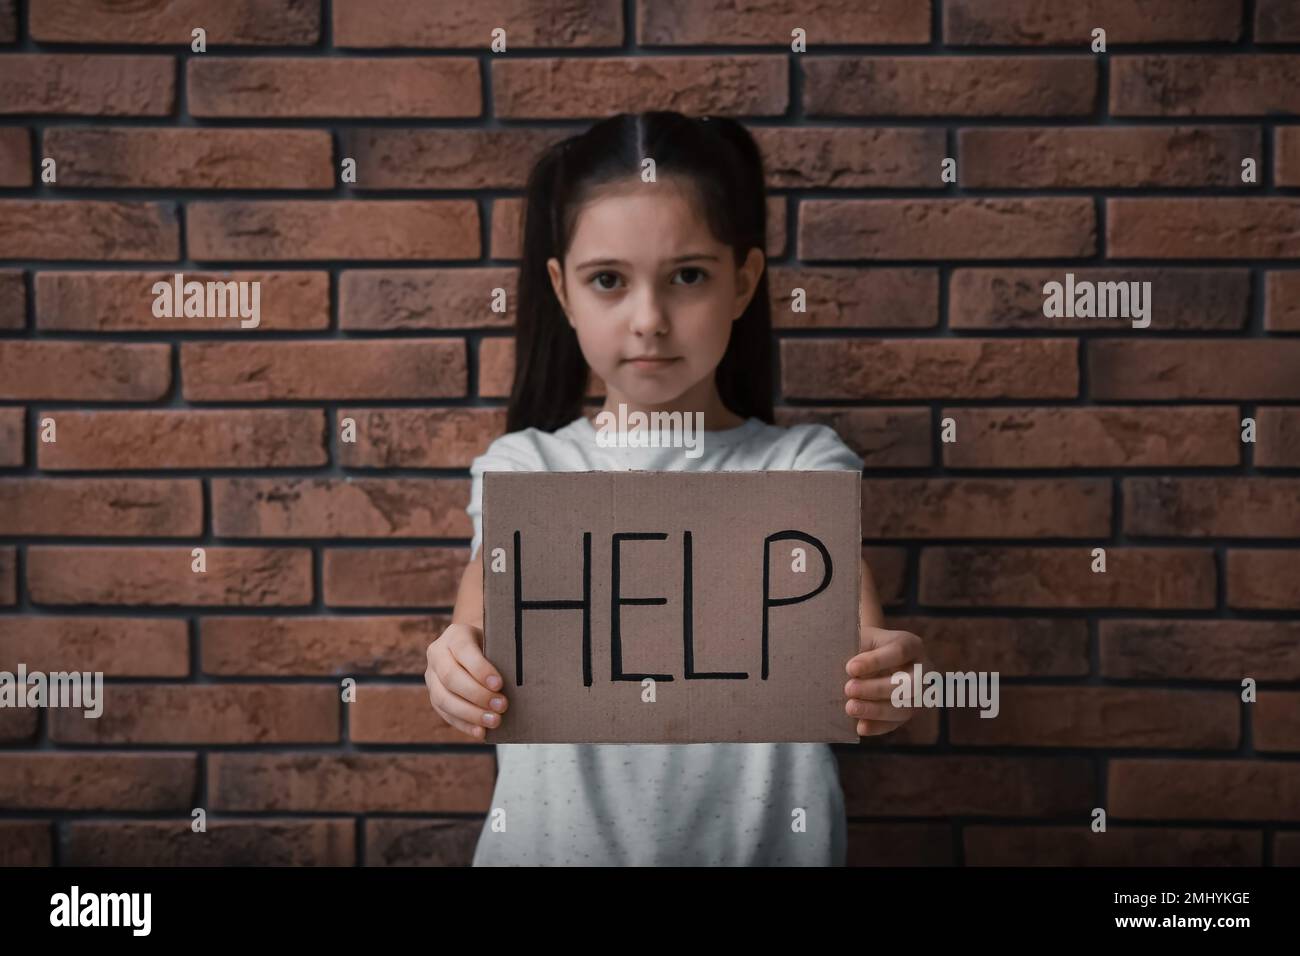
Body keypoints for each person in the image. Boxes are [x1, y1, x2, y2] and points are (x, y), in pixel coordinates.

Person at [424, 111, 926, 865]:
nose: (649, 320)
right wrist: (455, 668)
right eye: (608, 282)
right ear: (562, 291)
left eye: (687, 276)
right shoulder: (524, 469)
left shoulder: (803, 465)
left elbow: (853, 651)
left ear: (742, 282)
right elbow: (478, 629)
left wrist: (888, 677)